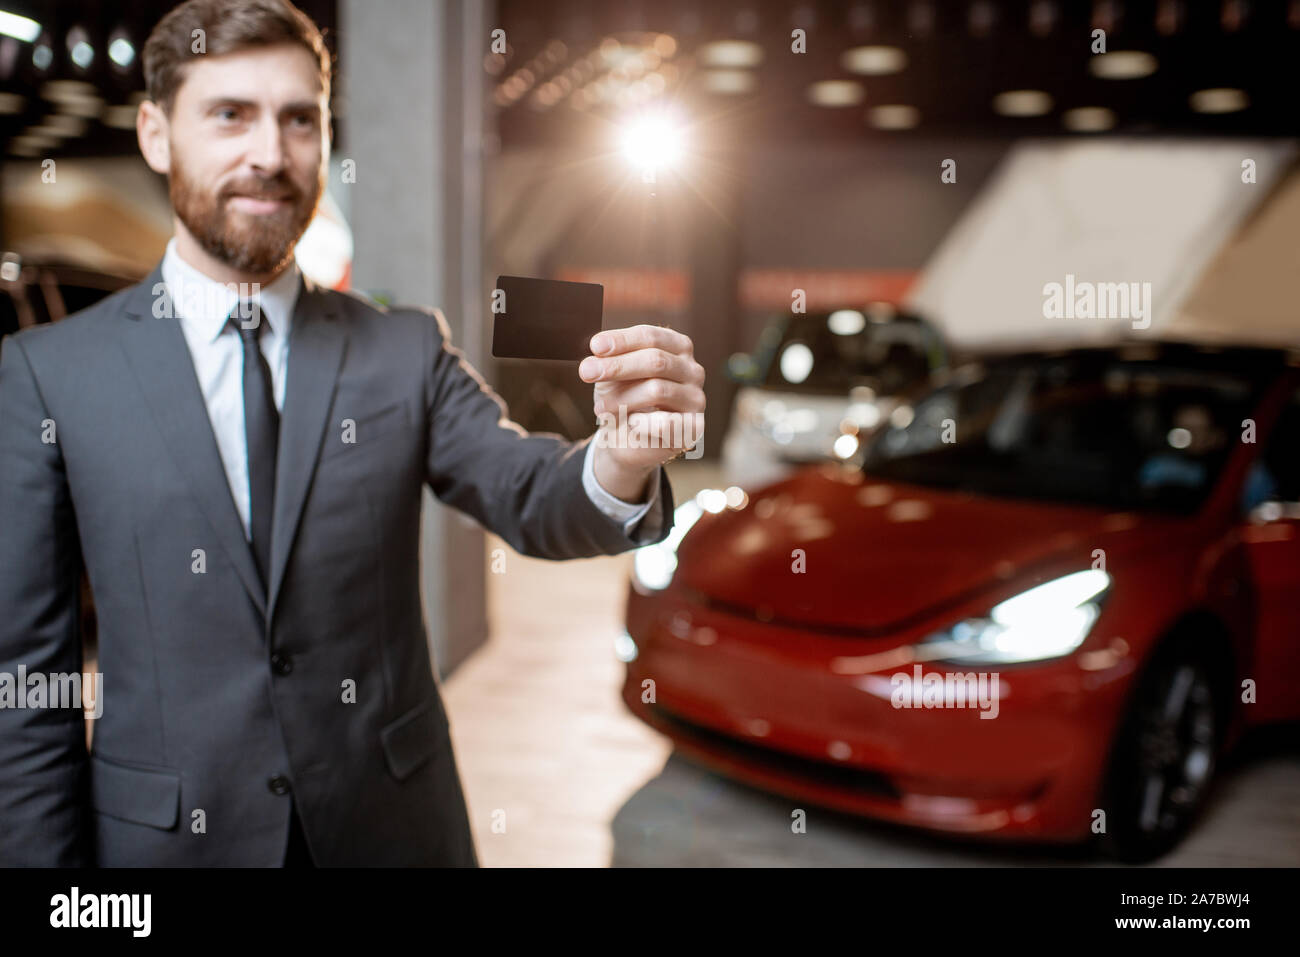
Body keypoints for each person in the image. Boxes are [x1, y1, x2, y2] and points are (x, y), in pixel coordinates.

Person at [0, 0, 704, 866]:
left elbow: (530, 493)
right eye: (230, 115)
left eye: (301, 119)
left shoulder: (401, 348)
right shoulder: (51, 373)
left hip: (391, 830)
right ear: (155, 133)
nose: (270, 153)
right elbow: (26, 687)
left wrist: (619, 459)